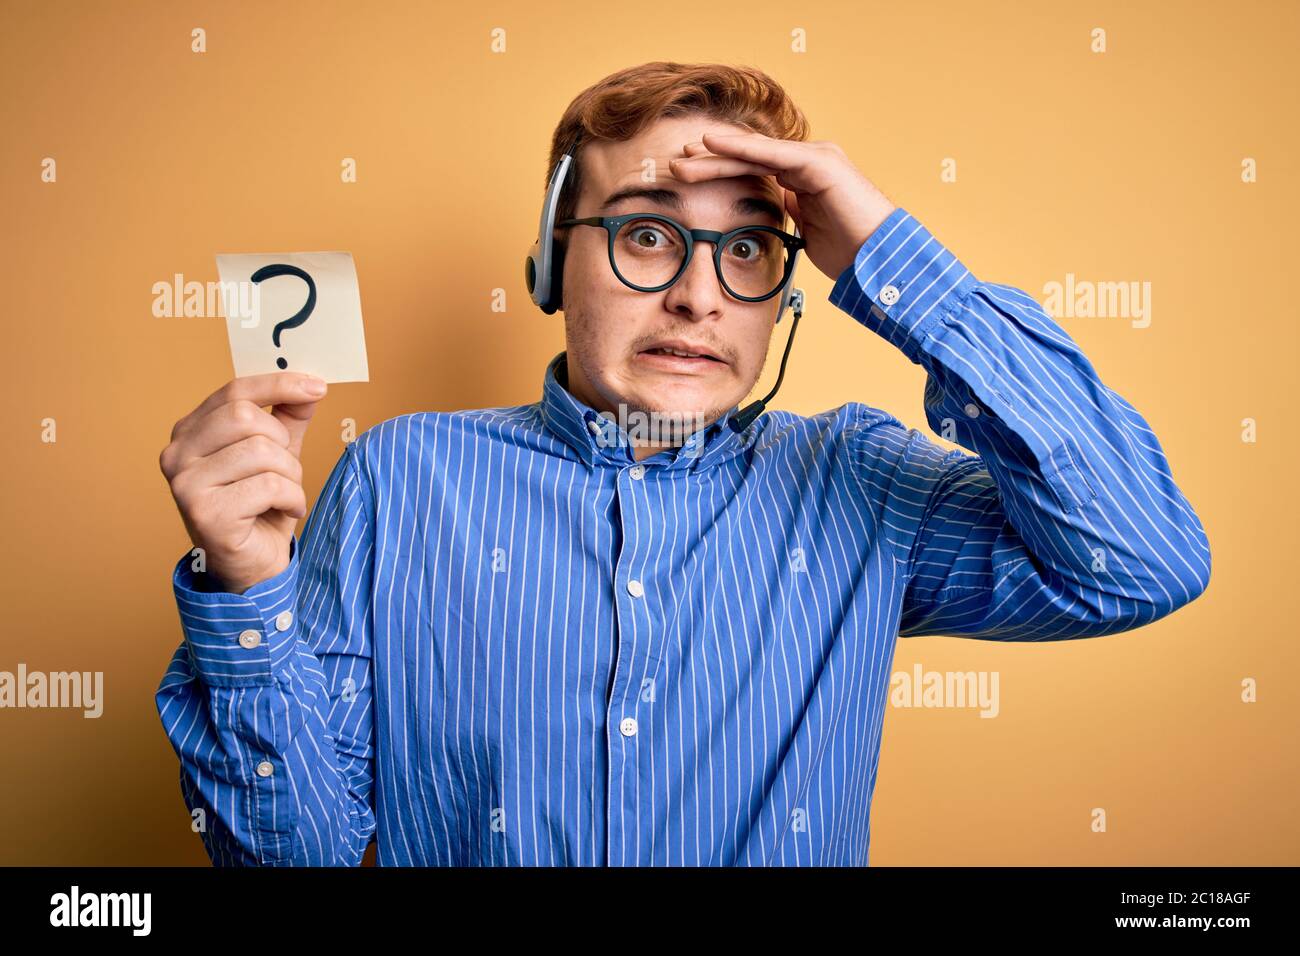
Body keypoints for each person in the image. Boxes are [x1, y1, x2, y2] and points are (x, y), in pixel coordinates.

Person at [155, 62, 1210, 866]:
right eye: (648, 234)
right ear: (547, 260)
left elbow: (1140, 561)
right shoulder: (398, 478)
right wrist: (249, 589)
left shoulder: (861, 481)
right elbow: (298, 852)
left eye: (747, 247)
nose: (702, 297)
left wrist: (892, 259)